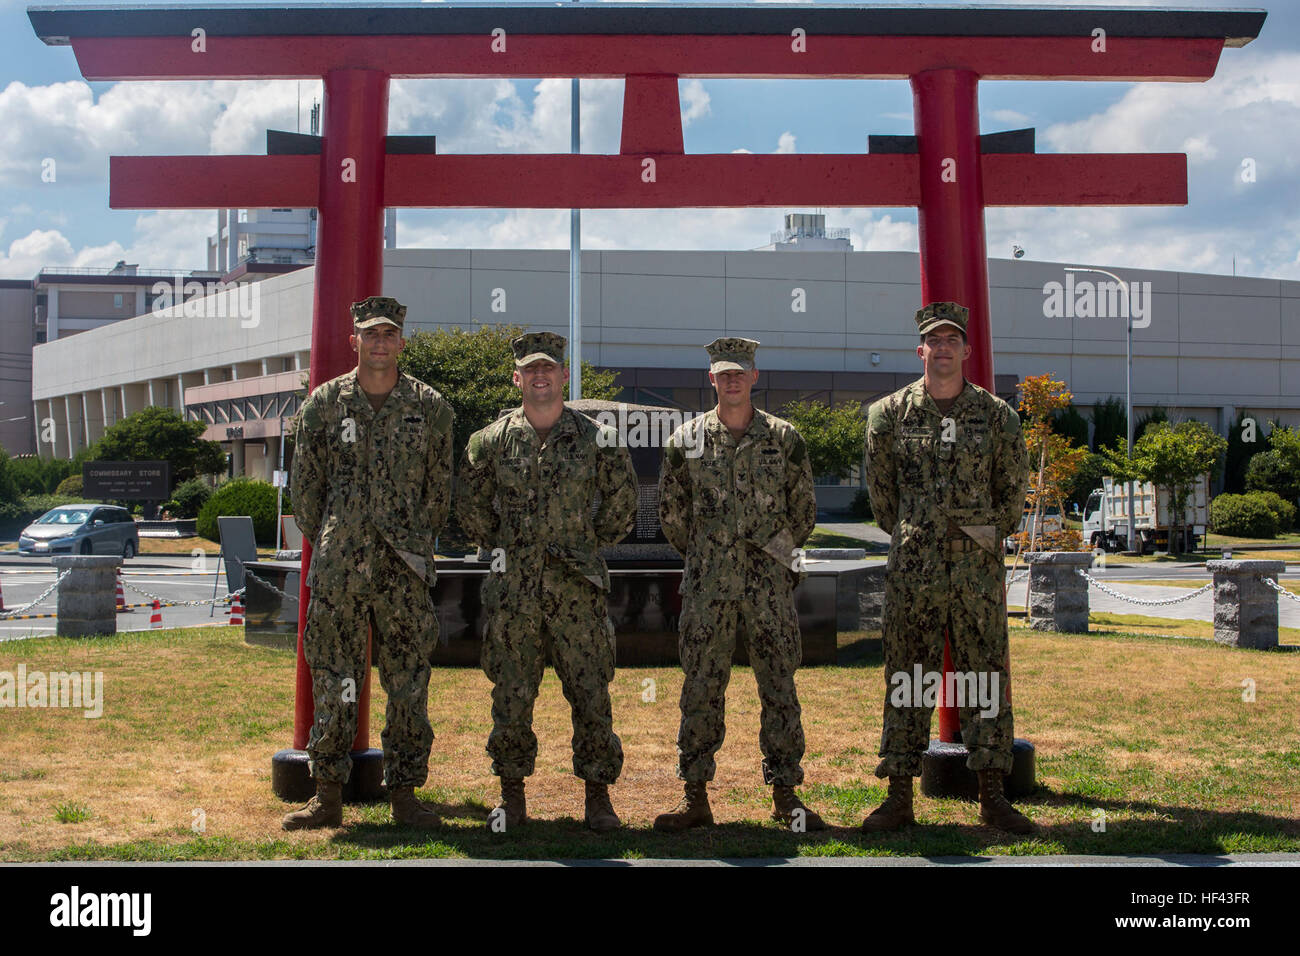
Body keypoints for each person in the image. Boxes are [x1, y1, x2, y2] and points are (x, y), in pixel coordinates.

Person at [862, 301, 1035, 834]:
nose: (942, 348)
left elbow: (1013, 491)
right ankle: (898, 798)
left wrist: (980, 535)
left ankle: (992, 796)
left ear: (966, 350)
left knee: (985, 676)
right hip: (914, 570)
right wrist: (919, 535)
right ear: (920, 350)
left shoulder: (996, 415)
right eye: (932, 341)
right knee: (908, 676)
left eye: (951, 340)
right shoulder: (887, 414)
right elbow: (882, 497)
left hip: (976, 575)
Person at [455, 331, 638, 832]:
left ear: (562, 375)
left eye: (549, 368)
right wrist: (505, 543)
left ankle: (598, 798)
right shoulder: (489, 441)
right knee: (511, 697)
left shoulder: (596, 436)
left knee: (591, 695)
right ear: (517, 378)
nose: (540, 376)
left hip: (577, 590)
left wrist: (585, 542)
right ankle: (511, 796)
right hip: (515, 593)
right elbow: (469, 506)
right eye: (530, 370)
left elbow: (622, 501)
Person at [283, 295, 454, 831]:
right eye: (369, 334)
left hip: (404, 567)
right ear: (352, 341)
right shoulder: (324, 405)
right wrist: (338, 534)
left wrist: (409, 538)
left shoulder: (432, 407)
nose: (379, 343)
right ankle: (328, 793)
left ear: (401, 342)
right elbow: (306, 491)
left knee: (408, 680)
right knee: (334, 675)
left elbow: (438, 491)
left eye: (389, 334)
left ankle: (405, 794)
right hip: (339, 567)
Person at [654, 337, 827, 832]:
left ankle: (786, 795)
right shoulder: (685, 439)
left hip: (768, 588)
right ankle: (695, 798)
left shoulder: (784, 438)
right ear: (710, 379)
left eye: (740, 372)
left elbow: (804, 510)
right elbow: (673, 514)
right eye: (722, 373)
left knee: (779, 687)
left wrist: (771, 555)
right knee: (701, 689)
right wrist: (711, 554)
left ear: (755, 377)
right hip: (708, 587)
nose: (731, 380)